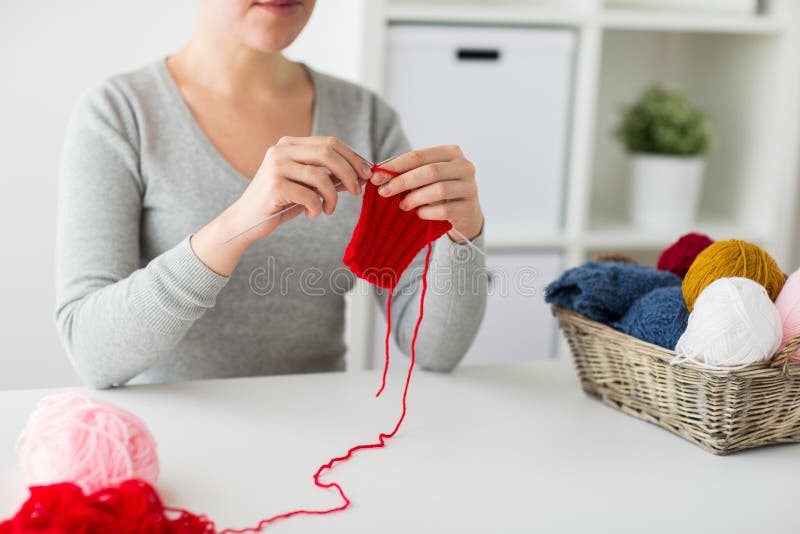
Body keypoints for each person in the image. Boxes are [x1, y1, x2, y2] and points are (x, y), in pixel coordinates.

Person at [55, 0, 487, 389]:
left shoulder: (365, 117)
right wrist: (235, 226)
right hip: (172, 439)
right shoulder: (119, 115)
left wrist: (462, 237)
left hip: (323, 436)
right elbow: (91, 353)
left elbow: (435, 352)